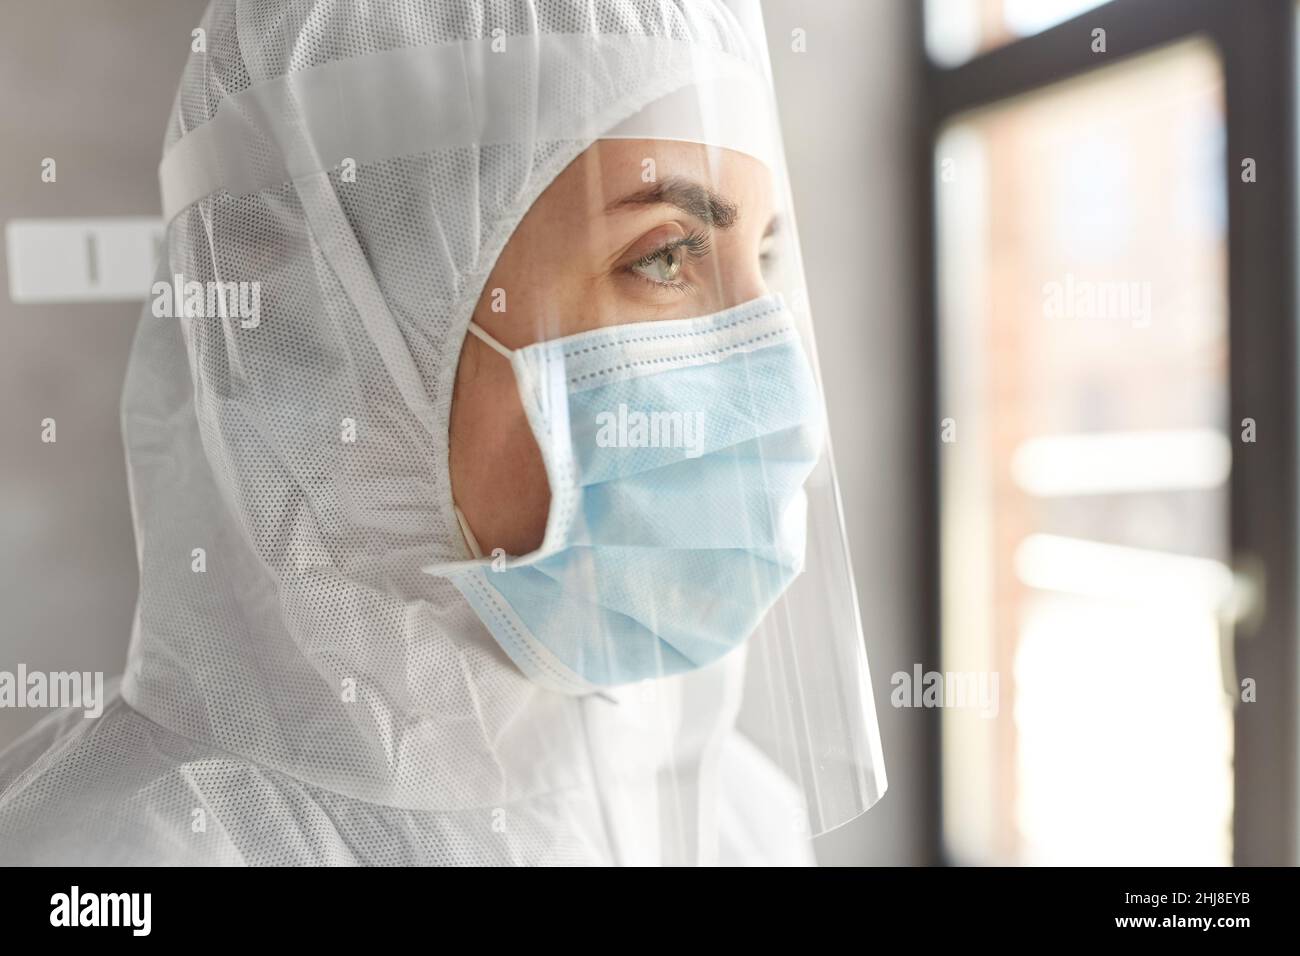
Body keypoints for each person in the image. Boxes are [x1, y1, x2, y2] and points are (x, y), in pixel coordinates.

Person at [0, 0, 885, 865]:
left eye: (762, 256)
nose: (784, 382)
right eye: (664, 254)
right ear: (358, 320)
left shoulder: (732, 815)